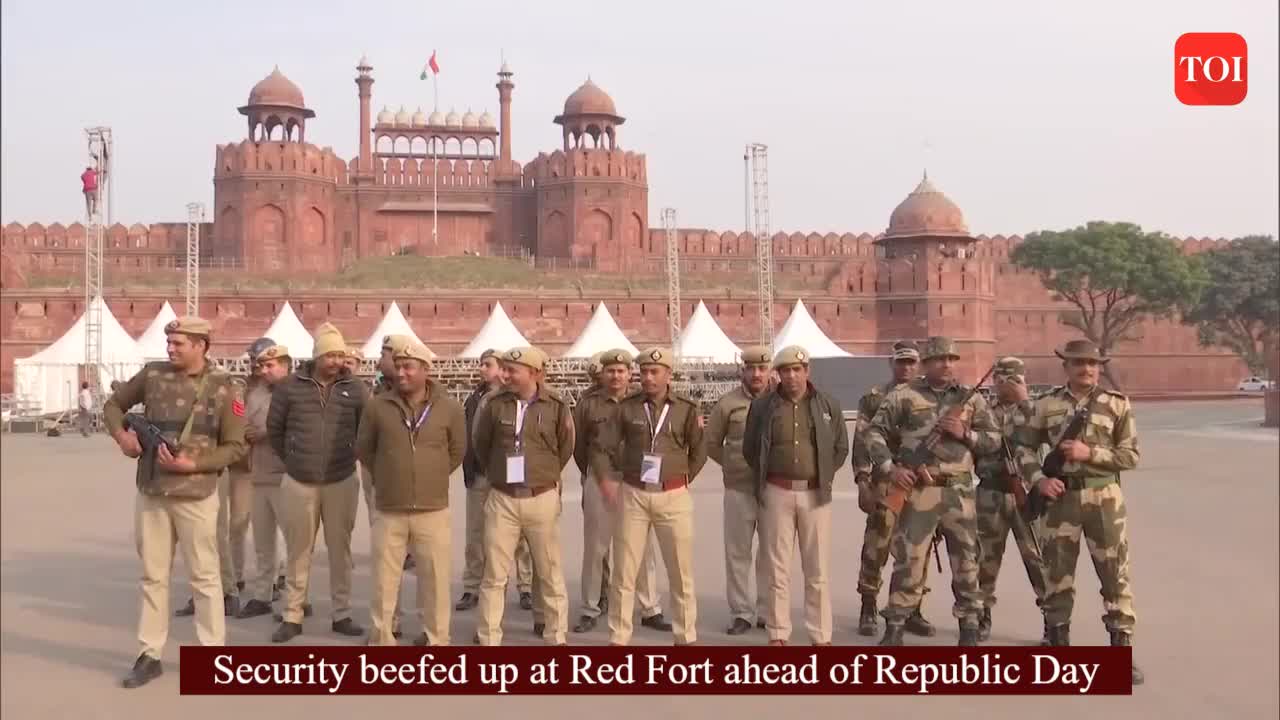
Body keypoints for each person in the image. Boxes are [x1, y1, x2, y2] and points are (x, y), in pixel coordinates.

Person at [103, 316, 247, 688]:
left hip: (197, 495)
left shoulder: (225, 387)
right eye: (169, 342)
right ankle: (149, 654)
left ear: (201, 345)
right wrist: (123, 437)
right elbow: (114, 405)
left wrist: (193, 464)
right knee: (153, 577)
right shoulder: (152, 376)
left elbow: (236, 446)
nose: (170, 348)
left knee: (205, 578)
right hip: (153, 492)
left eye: (178, 343)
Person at [1015, 339, 1143, 684]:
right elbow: (1023, 447)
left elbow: (1131, 455)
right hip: (1061, 500)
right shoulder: (1047, 404)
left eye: (1092, 363)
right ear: (1066, 367)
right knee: (1057, 574)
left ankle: (1120, 652)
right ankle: (1058, 647)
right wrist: (1039, 480)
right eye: (1078, 363)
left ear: (1098, 367)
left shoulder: (1115, 404)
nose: (1086, 369)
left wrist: (1092, 454)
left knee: (1115, 574)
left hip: (1105, 498)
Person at [864, 336, 1000, 646]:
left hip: (959, 492)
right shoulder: (904, 396)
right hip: (919, 491)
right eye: (940, 359)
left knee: (966, 560)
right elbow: (874, 433)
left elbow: (994, 440)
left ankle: (969, 626)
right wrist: (891, 468)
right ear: (926, 364)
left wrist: (965, 433)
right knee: (909, 559)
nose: (947, 364)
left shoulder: (971, 398)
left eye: (951, 359)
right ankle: (896, 625)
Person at [357, 340, 466, 646]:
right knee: (384, 579)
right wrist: (390, 474)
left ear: (425, 369)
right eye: (398, 366)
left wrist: (430, 475)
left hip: (432, 508)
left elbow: (457, 450)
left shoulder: (449, 408)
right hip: (389, 507)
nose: (401, 373)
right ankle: (382, 636)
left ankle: (436, 637)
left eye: (409, 367)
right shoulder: (378, 406)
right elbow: (365, 449)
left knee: (435, 579)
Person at [595, 347, 705, 646]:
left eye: (654, 372)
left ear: (668, 374)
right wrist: (607, 480)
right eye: (643, 371)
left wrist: (680, 480)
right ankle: (619, 637)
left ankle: (685, 637)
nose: (648, 377)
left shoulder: (686, 409)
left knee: (680, 571)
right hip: (634, 494)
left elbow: (699, 451)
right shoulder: (627, 408)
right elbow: (602, 447)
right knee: (625, 571)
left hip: (673, 496)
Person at [267, 323, 368, 643]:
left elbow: (366, 429)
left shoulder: (355, 388)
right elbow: (275, 429)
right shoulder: (289, 387)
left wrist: (350, 453)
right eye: (330, 355)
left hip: (341, 479)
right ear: (317, 355)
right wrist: (295, 458)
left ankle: (342, 613)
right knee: (299, 551)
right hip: (300, 481)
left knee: (340, 551)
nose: (337, 361)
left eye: (340, 354)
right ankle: (292, 615)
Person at [743, 345, 847, 646]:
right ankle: (778, 633)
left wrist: (822, 473)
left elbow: (840, 447)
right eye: (785, 370)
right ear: (778, 374)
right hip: (777, 492)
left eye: (796, 370)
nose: (791, 376)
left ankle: (820, 634)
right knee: (777, 568)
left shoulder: (827, 405)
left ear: (807, 371)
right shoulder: (763, 407)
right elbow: (750, 449)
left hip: (815, 494)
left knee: (817, 568)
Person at [472, 347, 574, 645]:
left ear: (535, 373)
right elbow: (481, 444)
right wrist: (498, 474)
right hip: (502, 497)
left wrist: (543, 475)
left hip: (541, 497)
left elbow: (566, 447)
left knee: (549, 571)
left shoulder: (556, 405)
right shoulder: (493, 404)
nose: (505, 375)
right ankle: (489, 636)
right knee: (494, 573)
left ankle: (555, 635)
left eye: (512, 370)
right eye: (504, 369)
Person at [572, 349, 669, 634]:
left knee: (642, 548)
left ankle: (650, 607)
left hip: (635, 480)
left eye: (621, 371)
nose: (615, 376)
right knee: (596, 548)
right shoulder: (588, 404)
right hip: (600, 479)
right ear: (602, 374)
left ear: (629, 374)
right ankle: (590, 607)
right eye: (610, 371)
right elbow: (577, 445)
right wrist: (594, 474)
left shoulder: (642, 401)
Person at [851, 340, 936, 637]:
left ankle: (912, 608)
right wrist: (862, 481)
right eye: (901, 362)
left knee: (918, 547)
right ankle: (868, 605)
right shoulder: (875, 398)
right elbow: (862, 441)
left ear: (919, 364)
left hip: (920, 482)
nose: (907, 368)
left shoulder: (930, 397)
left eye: (911, 362)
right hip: (886, 481)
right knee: (877, 544)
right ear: (892, 364)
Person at [974, 356, 1049, 643]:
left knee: (1038, 558)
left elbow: (1048, 435)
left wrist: (1025, 400)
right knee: (985, 559)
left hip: (1026, 493)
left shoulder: (1035, 408)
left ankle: (1052, 620)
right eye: (1003, 379)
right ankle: (981, 615)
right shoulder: (983, 409)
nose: (1007, 385)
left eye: (1015, 379)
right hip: (991, 492)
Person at [458, 348, 534, 613]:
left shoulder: (516, 398)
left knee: (520, 537)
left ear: (502, 369)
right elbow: (472, 437)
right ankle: (472, 586)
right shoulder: (475, 397)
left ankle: (525, 586)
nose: (482, 369)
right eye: (481, 364)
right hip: (480, 474)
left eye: (487, 364)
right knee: (475, 534)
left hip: (510, 477)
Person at [705, 345, 771, 635]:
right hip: (739, 488)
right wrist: (732, 464)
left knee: (770, 554)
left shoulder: (779, 402)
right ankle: (741, 613)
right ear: (742, 371)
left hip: (772, 490)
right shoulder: (728, 403)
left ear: (769, 371)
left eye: (762, 368)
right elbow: (711, 443)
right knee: (737, 554)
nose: (756, 374)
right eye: (751, 368)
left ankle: (767, 610)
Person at [236, 342, 299, 619]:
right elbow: (243, 420)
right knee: (263, 542)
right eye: (261, 365)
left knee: (294, 543)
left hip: (286, 474)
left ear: (285, 366)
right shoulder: (256, 393)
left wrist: (265, 433)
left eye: (270, 366)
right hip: (259, 472)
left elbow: (299, 427)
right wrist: (246, 432)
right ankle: (263, 595)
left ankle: (297, 600)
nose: (264, 370)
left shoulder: (298, 393)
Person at [363, 334, 416, 636]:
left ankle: (431, 628)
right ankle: (388, 624)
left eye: (385, 353)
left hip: (419, 489)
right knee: (386, 561)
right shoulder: (377, 393)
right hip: (383, 486)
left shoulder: (422, 393)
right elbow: (365, 443)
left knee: (426, 563)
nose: (380, 358)